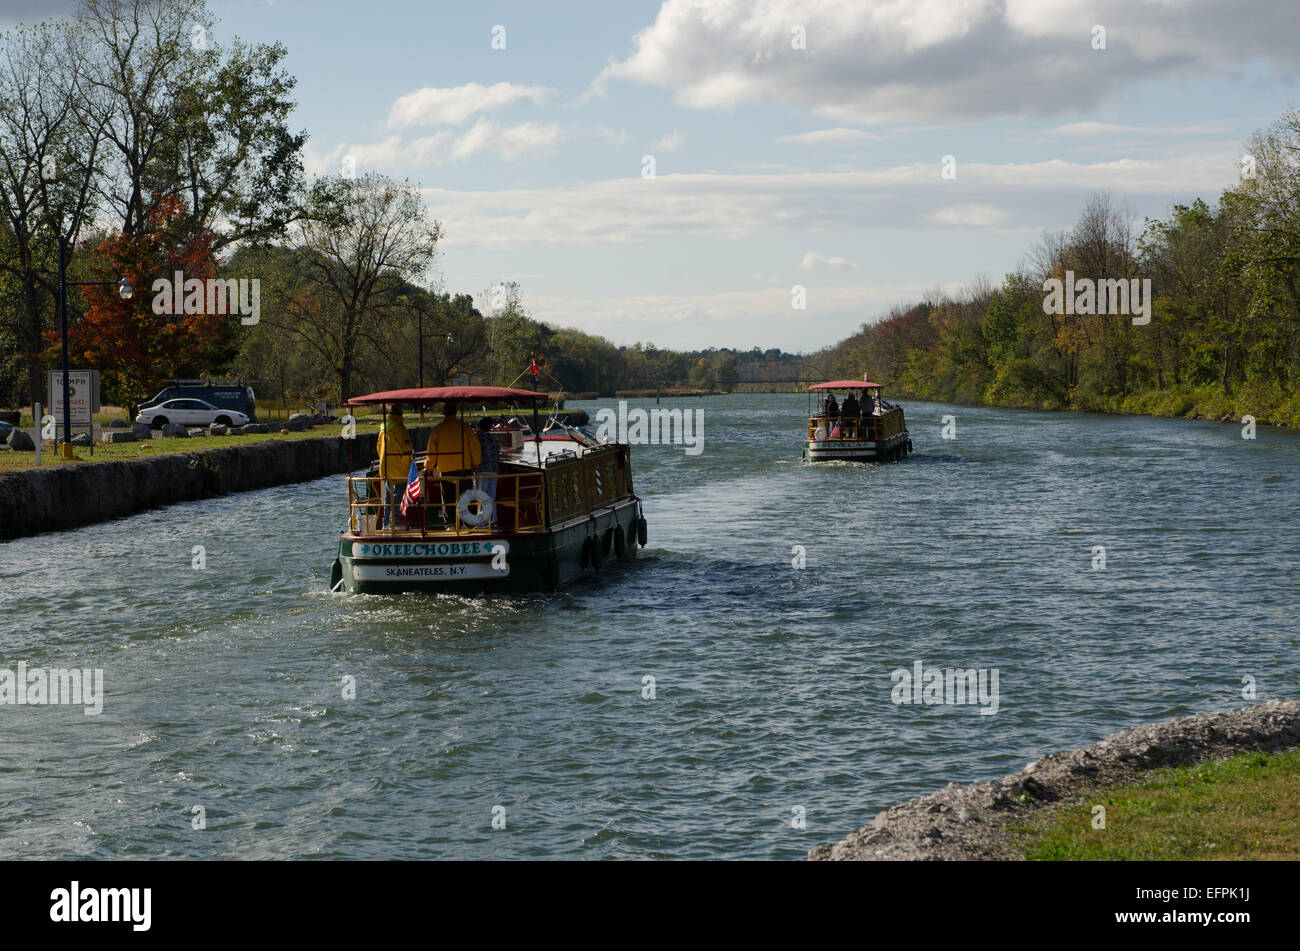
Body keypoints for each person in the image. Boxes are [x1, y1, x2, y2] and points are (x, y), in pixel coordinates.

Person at [425, 402, 481, 519]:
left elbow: (432, 453)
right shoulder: (465, 428)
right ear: (455, 412)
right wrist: (475, 464)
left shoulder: (438, 430)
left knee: (448, 500)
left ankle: (450, 525)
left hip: (446, 472)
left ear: (444, 412)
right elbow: (475, 448)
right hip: (464, 470)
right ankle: (470, 524)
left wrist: (428, 466)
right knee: (467, 499)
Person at [376, 405, 412, 529]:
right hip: (399, 468)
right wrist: (408, 466)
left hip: (385, 467)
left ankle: (385, 522)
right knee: (399, 494)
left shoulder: (384, 427)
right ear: (400, 413)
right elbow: (406, 450)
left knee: (388, 495)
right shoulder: (400, 429)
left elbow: (379, 447)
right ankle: (395, 522)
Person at [475, 417, 501, 514]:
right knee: (491, 497)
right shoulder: (494, 439)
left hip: (482, 470)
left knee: (481, 496)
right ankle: (493, 520)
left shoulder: (477, 439)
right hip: (494, 470)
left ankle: (483, 520)